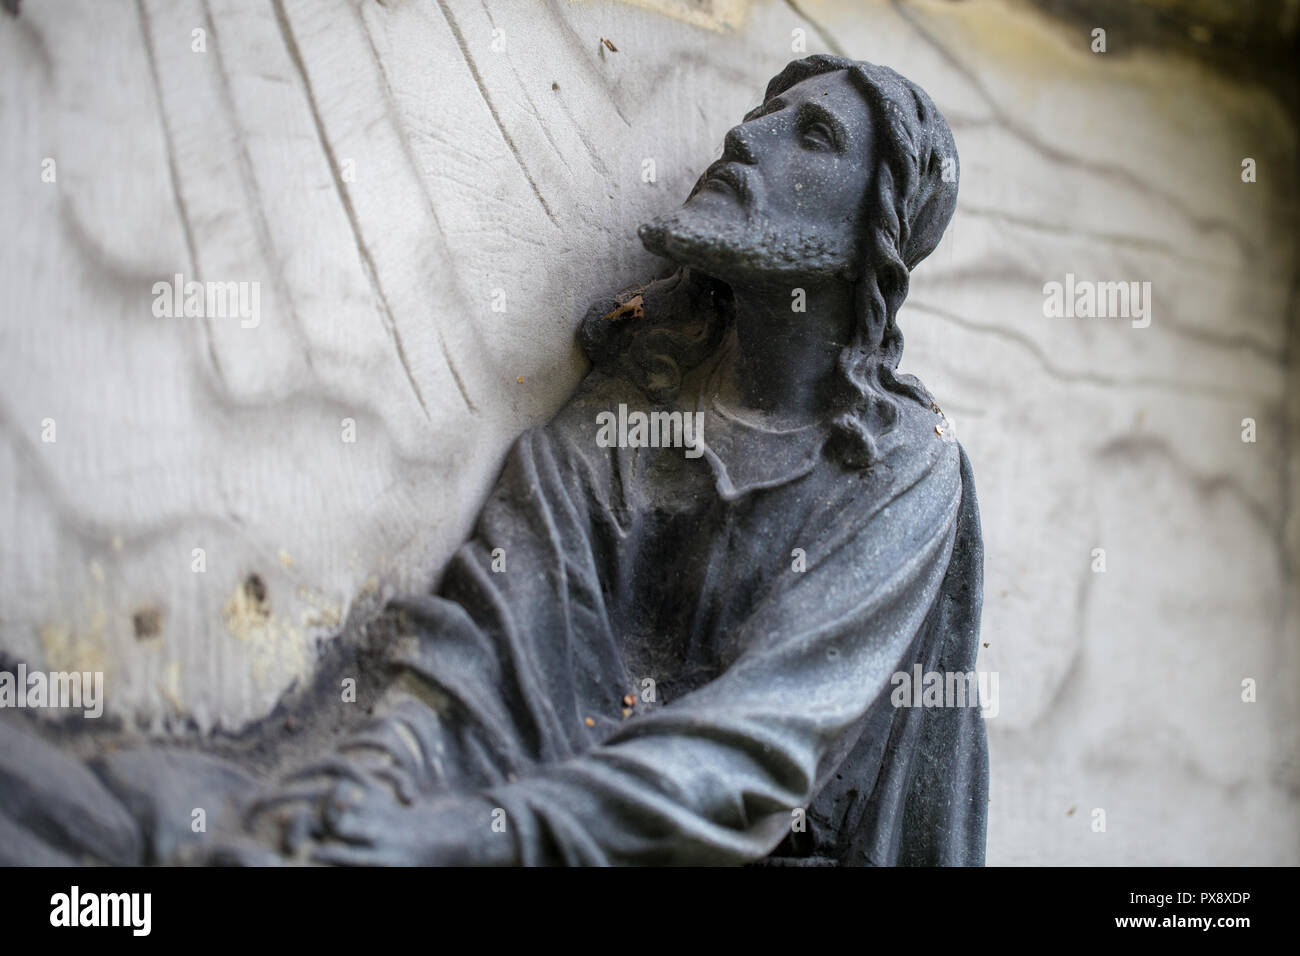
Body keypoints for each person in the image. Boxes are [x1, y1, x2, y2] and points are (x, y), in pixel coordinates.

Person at [0, 55, 987, 866]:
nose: (747, 136)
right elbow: (485, 630)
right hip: (479, 794)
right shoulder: (639, 391)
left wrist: (451, 838)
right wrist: (372, 776)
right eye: (765, 111)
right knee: (147, 807)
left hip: (642, 844)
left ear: (873, 239)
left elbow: (754, 756)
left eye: (809, 136)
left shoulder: (897, 469)